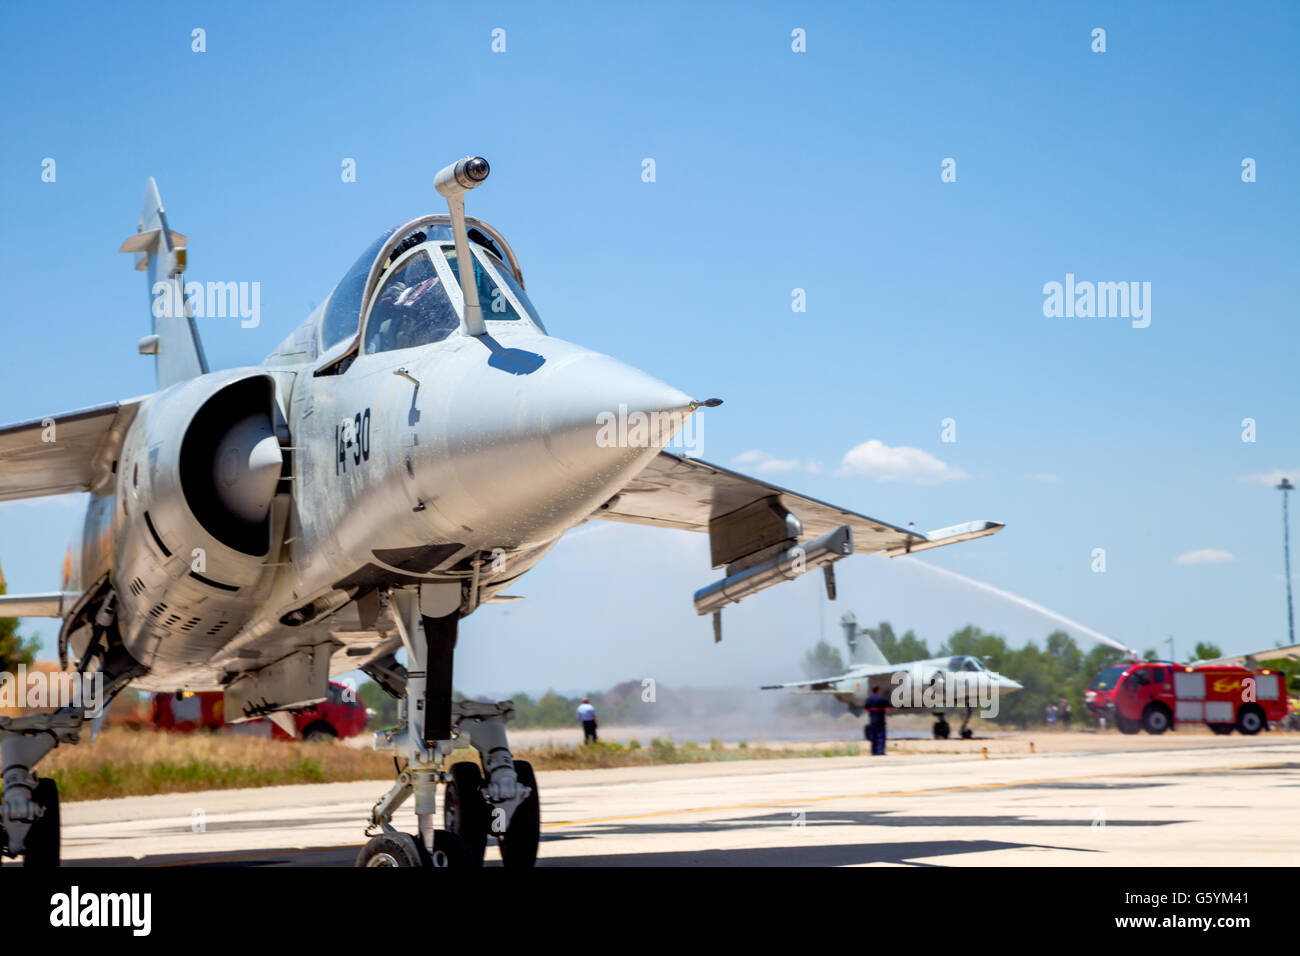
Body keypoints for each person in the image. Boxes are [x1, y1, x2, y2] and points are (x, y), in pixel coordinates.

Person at [864, 685, 889, 756]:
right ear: (878, 690)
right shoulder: (882, 699)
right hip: (880, 720)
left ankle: (873, 751)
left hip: (872, 720)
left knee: (873, 736)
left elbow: (866, 709)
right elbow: (887, 710)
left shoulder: (869, 699)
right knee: (880, 736)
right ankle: (880, 751)